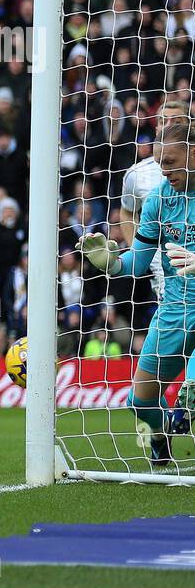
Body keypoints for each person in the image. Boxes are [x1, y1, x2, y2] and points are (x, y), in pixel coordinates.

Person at [90, 120, 195, 465]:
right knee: (140, 399)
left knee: (190, 390)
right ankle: (162, 431)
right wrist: (112, 262)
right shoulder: (159, 200)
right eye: (159, 162)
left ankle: (187, 397)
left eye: (170, 162)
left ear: (193, 154)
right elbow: (139, 261)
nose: (163, 172)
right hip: (176, 306)